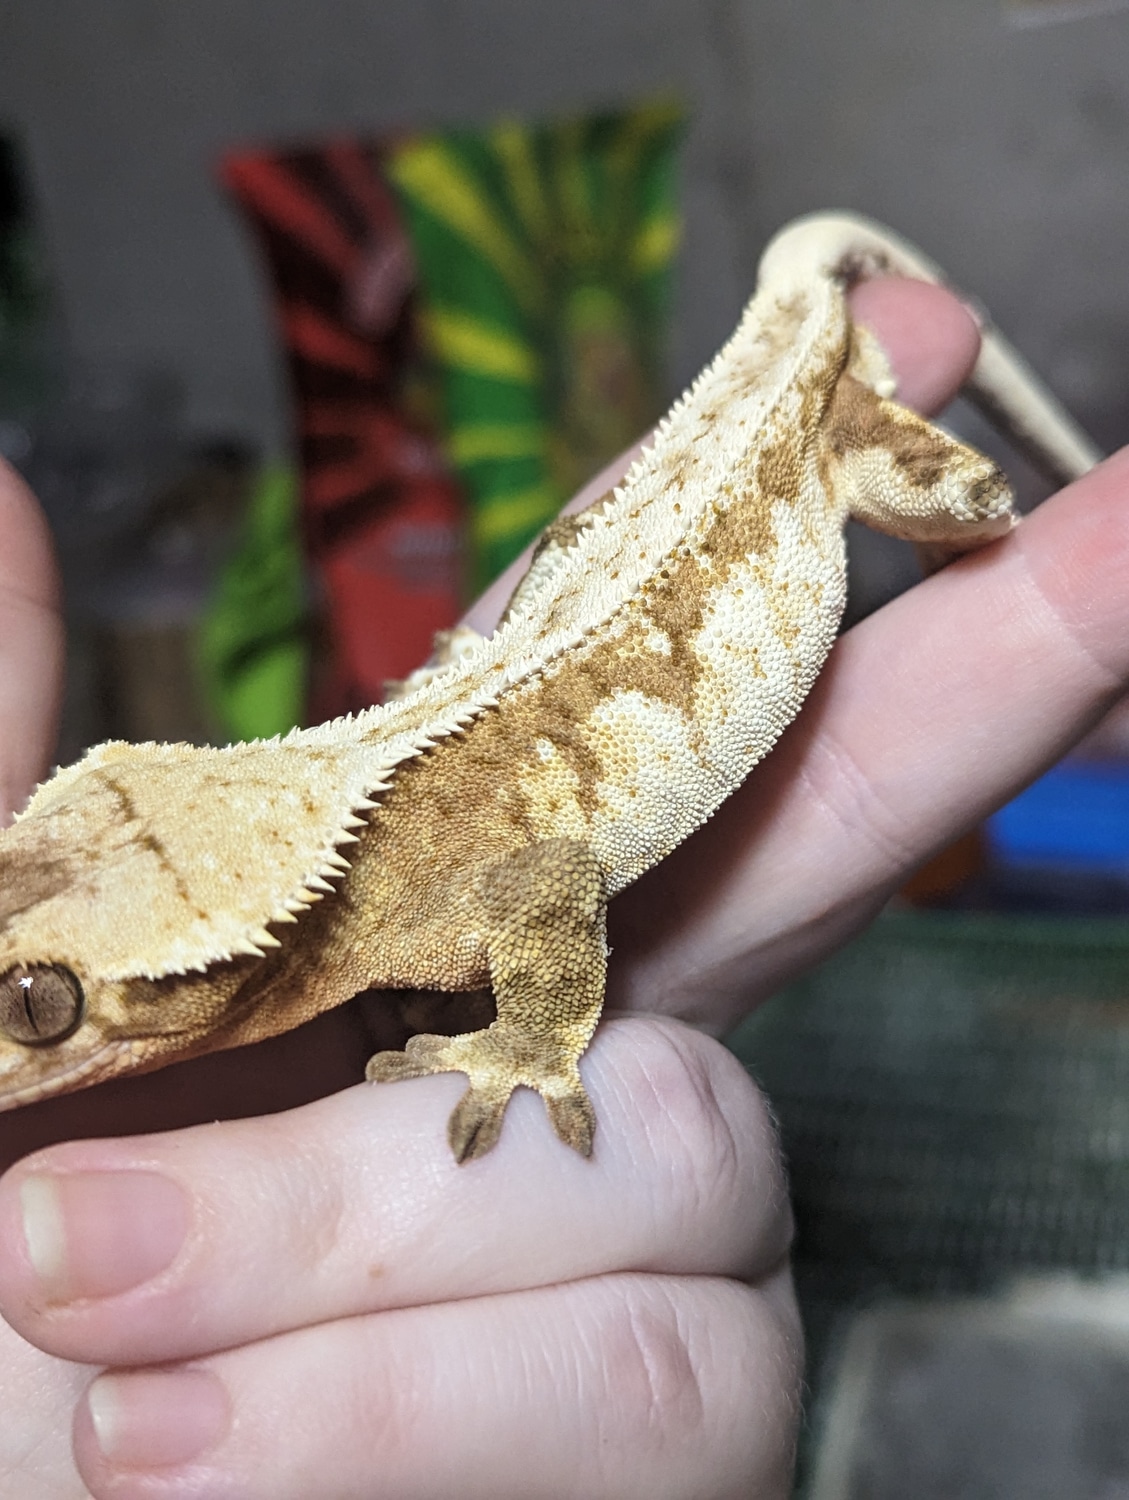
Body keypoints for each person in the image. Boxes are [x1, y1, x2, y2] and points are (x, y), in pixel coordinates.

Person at [0, 276, 1125, 1500]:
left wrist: (534, 1039)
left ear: (210, 959)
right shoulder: (361, 885)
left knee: (975, 503)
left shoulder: (417, 905)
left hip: (801, 454)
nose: (27, 1038)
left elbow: (547, 878)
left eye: (37, 1010)